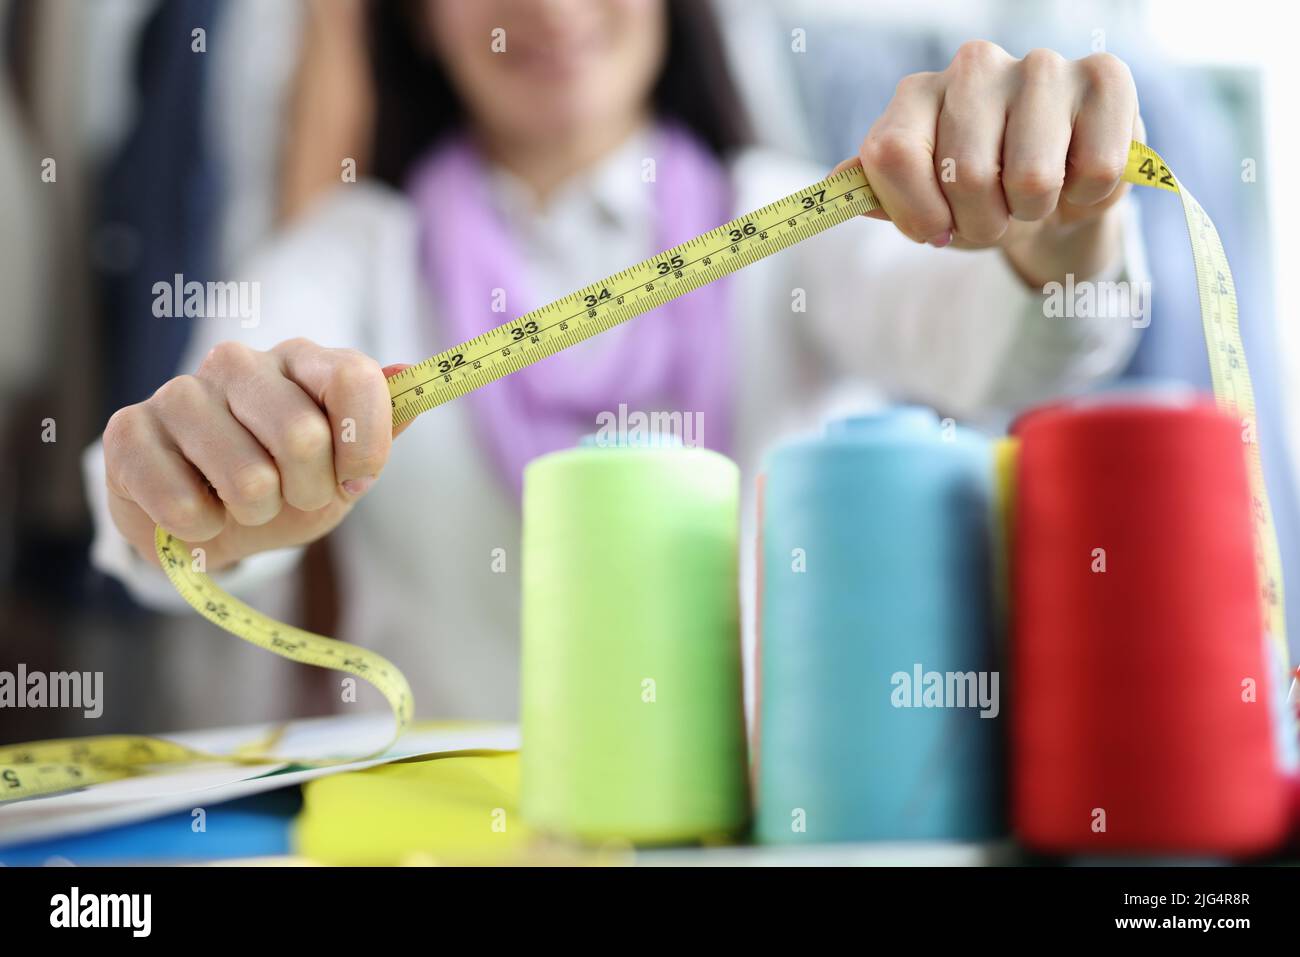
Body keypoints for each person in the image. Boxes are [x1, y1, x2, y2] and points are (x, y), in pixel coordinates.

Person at [86, 0, 1145, 718]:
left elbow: (1014, 354)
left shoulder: (792, 209)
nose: (550, 7)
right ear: (414, 15)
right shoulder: (348, 250)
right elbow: (161, 485)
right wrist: (186, 488)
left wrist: (1060, 226)